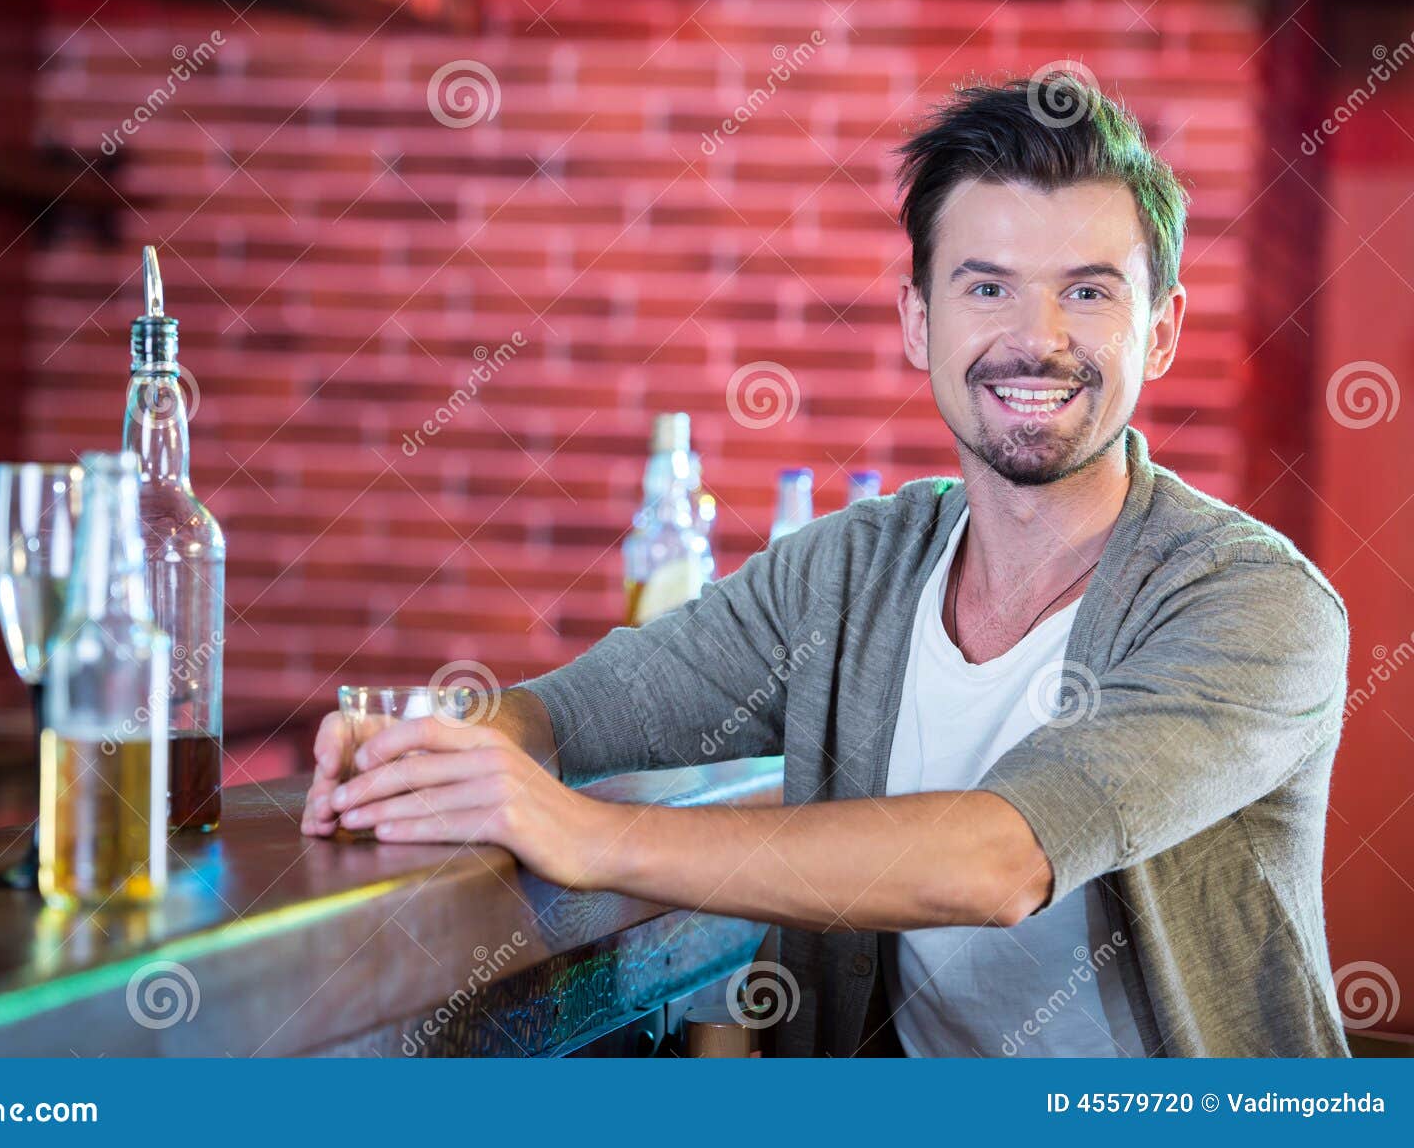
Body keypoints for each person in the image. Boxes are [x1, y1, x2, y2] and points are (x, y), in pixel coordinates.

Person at [302, 74, 1350, 1058]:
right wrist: (425, 747)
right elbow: (588, 709)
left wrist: (584, 835)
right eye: (986, 286)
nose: (1036, 340)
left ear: (1159, 332)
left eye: (1087, 293)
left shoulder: (1251, 604)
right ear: (916, 321)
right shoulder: (853, 568)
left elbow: (1000, 860)